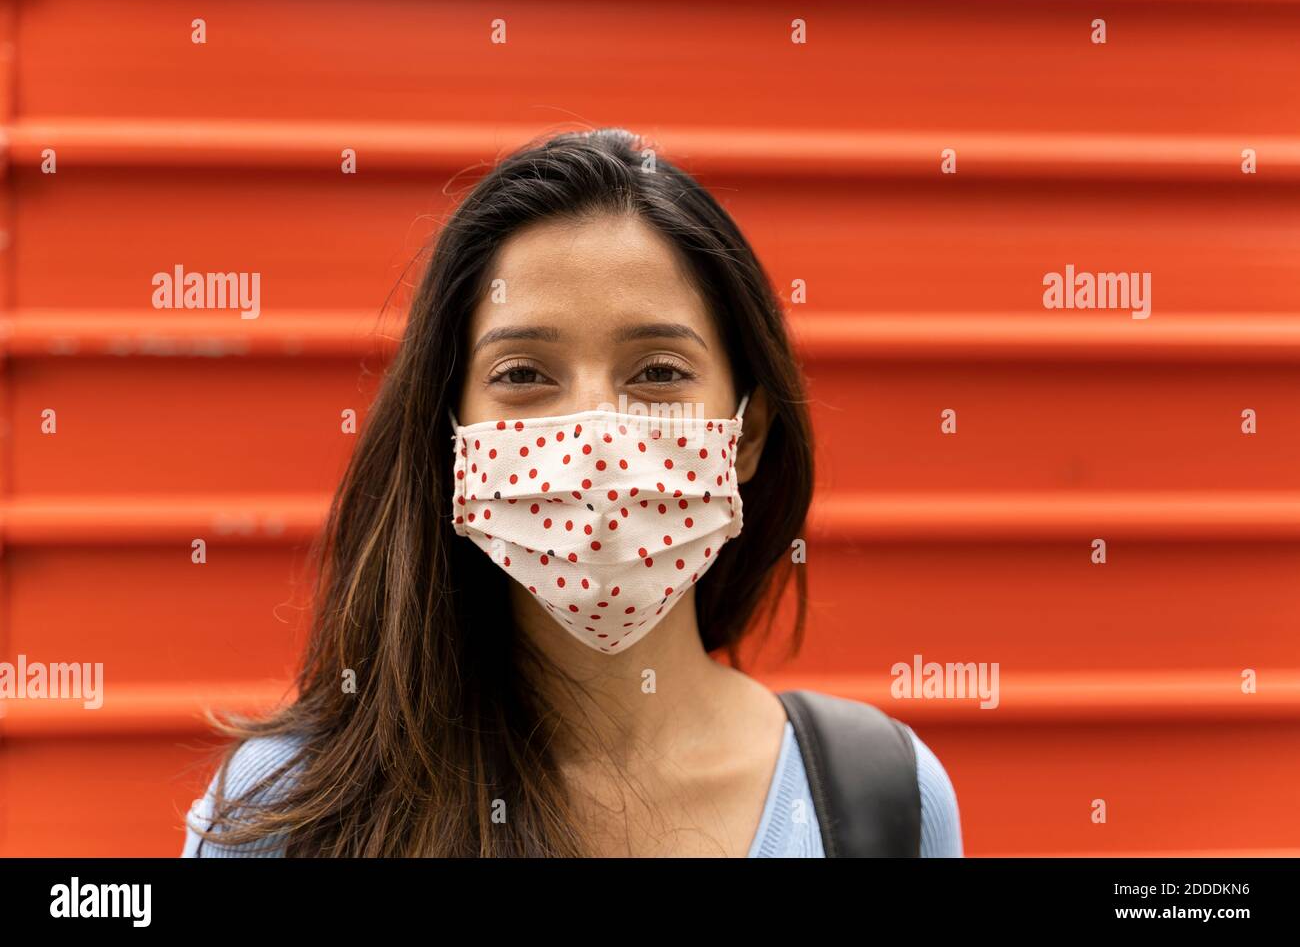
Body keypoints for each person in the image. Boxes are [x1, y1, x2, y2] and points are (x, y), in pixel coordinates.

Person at [181, 127, 963, 858]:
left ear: (746, 434)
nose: (596, 438)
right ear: (449, 434)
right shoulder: (289, 813)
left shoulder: (882, 801)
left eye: (658, 372)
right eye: (522, 374)